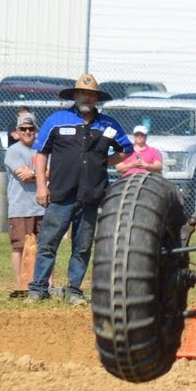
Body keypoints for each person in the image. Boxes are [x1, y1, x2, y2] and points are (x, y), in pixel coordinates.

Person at [27, 73, 133, 305]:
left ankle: (73, 290)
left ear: (96, 98)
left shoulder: (108, 125)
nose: (87, 96)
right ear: (75, 95)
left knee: (82, 247)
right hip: (60, 194)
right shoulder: (56, 120)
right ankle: (37, 289)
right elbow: (41, 153)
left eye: (91, 94)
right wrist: (41, 186)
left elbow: (126, 149)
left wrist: (104, 162)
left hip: (91, 196)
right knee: (48, 243)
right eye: (83, 92)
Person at [5, 112, 45, 290]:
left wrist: (35, 173)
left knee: (44, 248)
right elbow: (23, 175)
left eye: (31, 128)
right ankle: (21, 285)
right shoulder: (13, 151)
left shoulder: (43, 149)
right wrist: (40, 174)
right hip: (20, 207)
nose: (27, 131)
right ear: (17, 131)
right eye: (23, 129)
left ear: (36, 130)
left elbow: (52, 171)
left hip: (42, 206)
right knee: (19, 247)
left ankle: (46, 283)